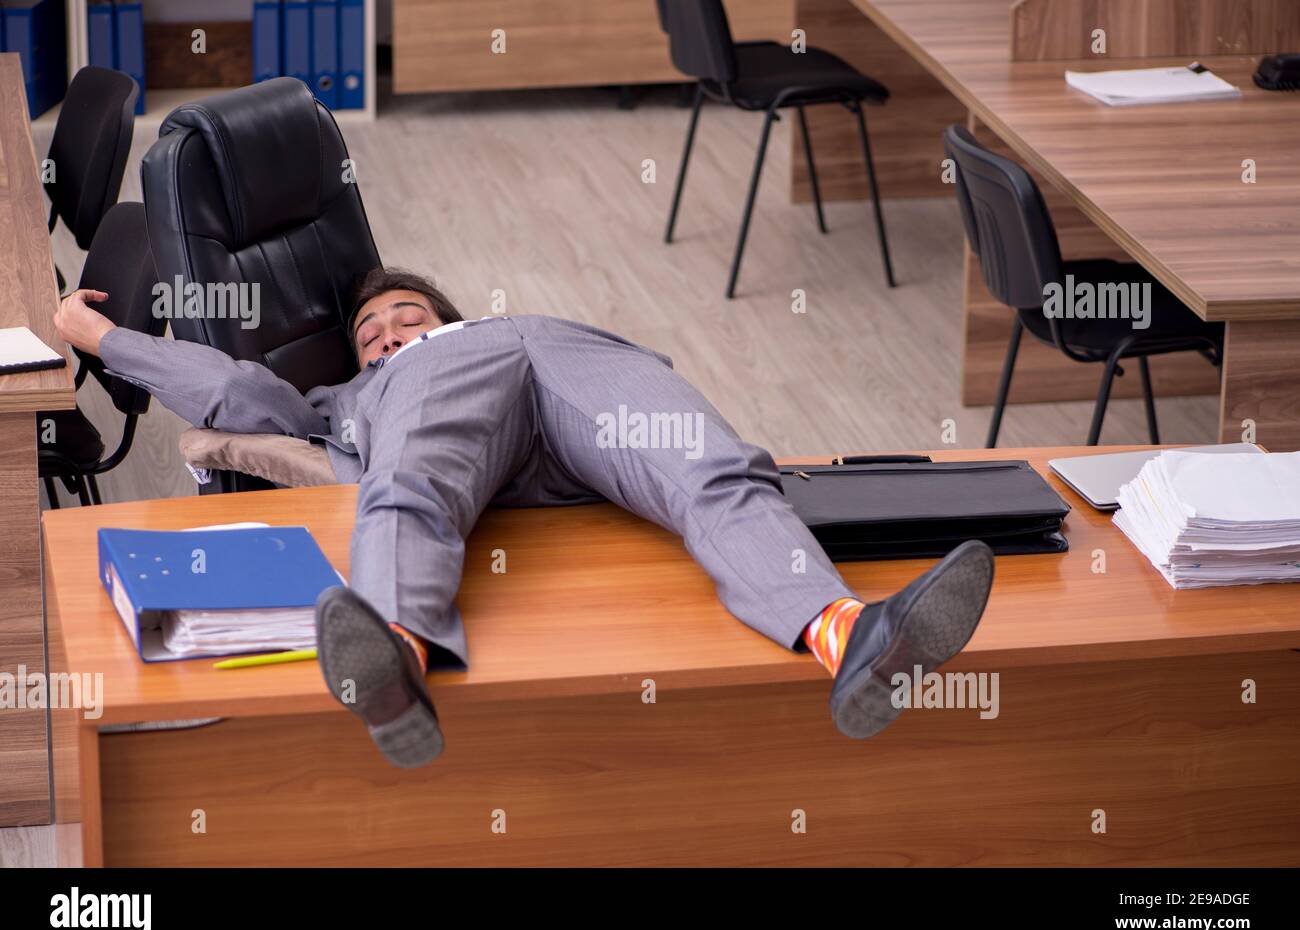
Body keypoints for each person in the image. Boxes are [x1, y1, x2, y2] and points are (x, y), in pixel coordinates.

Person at [54, 268, 995, 768]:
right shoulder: (355, 393)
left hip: (569, 363)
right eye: (371, 331)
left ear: (446, 311)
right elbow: (238, 389)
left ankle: (848, 635)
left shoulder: (506, 324)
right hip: (448, 401)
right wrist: (99, 337)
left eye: (405, 314)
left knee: (713, 467)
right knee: (409, 486)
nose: (387, 330)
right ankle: (394, 653)